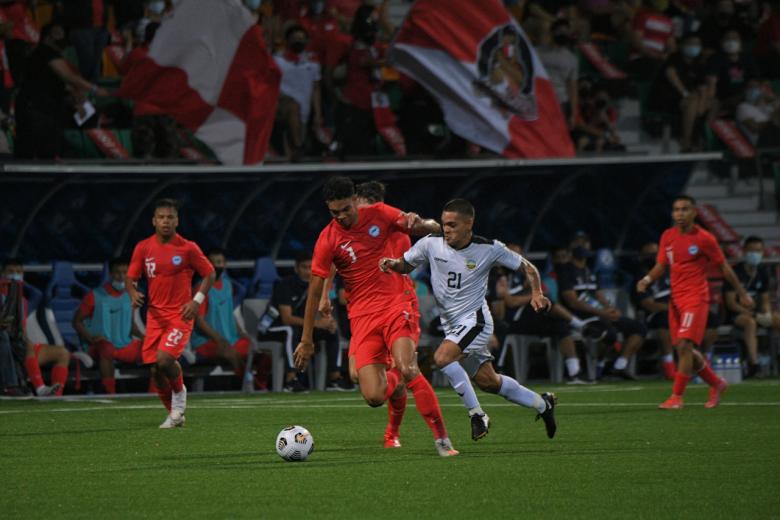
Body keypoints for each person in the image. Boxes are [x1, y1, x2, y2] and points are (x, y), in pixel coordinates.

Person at [293, 176, 457, 457]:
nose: (341, 216)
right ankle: (397, 384)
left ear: (355, 200)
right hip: (362, 315)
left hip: (397, 303)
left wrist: (424, 222)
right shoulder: (328, 238)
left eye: (346, 209)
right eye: (334, 212)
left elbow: (427, 228)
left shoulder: (380, 214)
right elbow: (314, 289)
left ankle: (442, 440)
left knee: (408, 367)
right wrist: (306, 339)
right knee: (373, 396)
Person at [379, 199, 557, 442]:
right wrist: (392, 263)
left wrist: (536, 293)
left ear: (469, 224)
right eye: (444, 224)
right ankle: (543, 404)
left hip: (476, 321)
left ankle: (477, 415)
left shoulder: (489, 248)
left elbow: (528, 268)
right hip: (452, 326)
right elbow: (405, 265)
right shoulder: (431, 243)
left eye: (452, 225)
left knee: (442, 358)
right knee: (489, 382)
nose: (446, 229)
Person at [637, 195, 754, 409]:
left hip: (695, 298)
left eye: (684, 209)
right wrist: (646, 280)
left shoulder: (704, 238)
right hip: (675, 300)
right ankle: (716, 383)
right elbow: (661, 265)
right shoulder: (668, 236)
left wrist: (742, 292)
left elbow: (724, 267)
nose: (680, 214)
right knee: (685, 350)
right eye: (676, 210)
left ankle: (677, 397)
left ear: (694, 212)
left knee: (684, 345)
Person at [126, 199, 215, 428]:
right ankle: (174, 415)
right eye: (161, 217)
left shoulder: (188, 248)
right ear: (154, 221)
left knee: (165, 360)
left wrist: (196, 301)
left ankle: (179, 396)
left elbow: (209, 273)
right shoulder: (143, 247)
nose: (165, 221)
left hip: (180, 315)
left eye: (170, 217)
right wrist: (132, 292)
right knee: (155, 370)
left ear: (177, 221)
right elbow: (131, 277)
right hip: (155, 316)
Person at [14, 22, 109, 159]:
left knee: (47, 153)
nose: (62, 36)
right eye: (57, 32)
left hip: (47, 111)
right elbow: (67, 76)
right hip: (35, 110)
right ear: (48, 36)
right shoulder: (45, 51)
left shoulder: (46, 55)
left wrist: (73, 97)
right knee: (29, 153)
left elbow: (54, 82)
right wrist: (94, 89)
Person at [498, 243, 588, 384]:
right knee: (544, 302)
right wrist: (533, 296)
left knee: (561, 324)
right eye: (511, 254)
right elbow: (511, 302)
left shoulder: (523, 275)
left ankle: (574, 373)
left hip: (529, 317)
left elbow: (538, 291)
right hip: (513, 321)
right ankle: (579, 324)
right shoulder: (499, 275)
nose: (514, 258)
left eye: (518, 254)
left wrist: (533, 293)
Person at [557, 238, 647, 380]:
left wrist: (610, 309)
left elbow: (598, 294)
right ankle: (599, 367)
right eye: (578, 244)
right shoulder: (566, 271)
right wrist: (602, 313)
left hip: (600, 314)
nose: (582, 247)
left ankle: (618, 366)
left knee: (638, 328)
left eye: (585, 243)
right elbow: (572, 302)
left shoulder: (589, 271)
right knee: (610, 333)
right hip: (581, 317)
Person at [258, 250, 346, 392]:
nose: (308, 271)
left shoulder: (316, 285)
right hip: (271, 327)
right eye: (304, 267)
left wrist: (328, 322)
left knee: (331, 332)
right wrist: (318, 323)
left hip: (298, 328)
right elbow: (287, 319)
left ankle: (335, 378)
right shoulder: (285, 285)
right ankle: (290, 380)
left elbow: (321, 310)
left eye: (311, 267)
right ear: (296, 268)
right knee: (290, 331)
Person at [72, 258, 145, 394]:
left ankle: (155, 394)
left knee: (155, 349)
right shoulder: (94, 295)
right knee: (106, 348)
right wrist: (90, 338)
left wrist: (143, 337)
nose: (121, 276)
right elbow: (77, 321)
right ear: (110, 274)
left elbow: (130, 325)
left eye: (125, 272)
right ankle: (110, 393)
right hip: (99, 345)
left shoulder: (131, 295)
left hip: (124, 345)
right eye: (117, 273)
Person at [1, 259, 70, 396]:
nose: (15, 275)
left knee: (63, 353)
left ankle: (56, 396)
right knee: (27, 345)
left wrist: (19, 284)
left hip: (21, 347)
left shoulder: (23, 300)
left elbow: (37, 294)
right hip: (5, 347)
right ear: (2, 273)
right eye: (11, 272)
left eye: (19, 272)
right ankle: (40, 389)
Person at [190, 248, 252, 384]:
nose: (216, 266)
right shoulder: (200, 288)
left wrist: (241, 332)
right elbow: (199, 321)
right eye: (213, 262)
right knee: (229, 352)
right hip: (205, 341)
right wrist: (218, 339)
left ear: (225, 264)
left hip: (230, 338)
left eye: (220, 262)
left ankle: (257, 384)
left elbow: (229, 313)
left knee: (257, 350)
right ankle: (248, 386)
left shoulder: (228, 285)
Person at [723, 236, 780, 378]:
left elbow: (765, 299)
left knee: (778, 319)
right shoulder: (735, 273)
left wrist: (767, 313)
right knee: (750, 322)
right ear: (744, 251)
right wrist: (752, 313)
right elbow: (731, 303)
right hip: (736, 315)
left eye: (759, 251)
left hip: (756, 313)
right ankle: (754, 364)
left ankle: (776, 359)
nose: (755, 254)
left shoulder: (762, 272)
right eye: (752, 251)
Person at [273, 24, 323, 161]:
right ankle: (297, 146)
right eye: (295, 38)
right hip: (282, 107)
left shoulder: (313, 63)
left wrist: (318, 114)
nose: (298, 41)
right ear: (288, 40)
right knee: (293, 107)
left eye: (301, 38)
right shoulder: (278, 60)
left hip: (304, 112)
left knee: (295, 153)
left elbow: (316, 89)